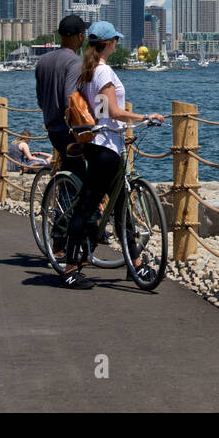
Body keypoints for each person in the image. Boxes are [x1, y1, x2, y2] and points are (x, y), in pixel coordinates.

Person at [60, 20, 163, 290]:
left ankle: (135, 264)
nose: (117, 44)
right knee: (87, 205)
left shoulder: (89, 71)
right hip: (104, 147)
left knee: (121, 208)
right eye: (115, 40)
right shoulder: (103, 73)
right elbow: (111, 112)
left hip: (106, 144)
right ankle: (70, 269)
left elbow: (101, 112)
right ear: (108, 44)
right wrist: (144, 116)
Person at [35, 14, 88, 182]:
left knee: (70, 171)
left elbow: (40, 99)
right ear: (80, 36)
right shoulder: (76, 62)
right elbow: (69, 100)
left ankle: (63, 206)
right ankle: (78, 208)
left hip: (52, 129)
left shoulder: (42, 61)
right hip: (69, 132)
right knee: (84, 173)